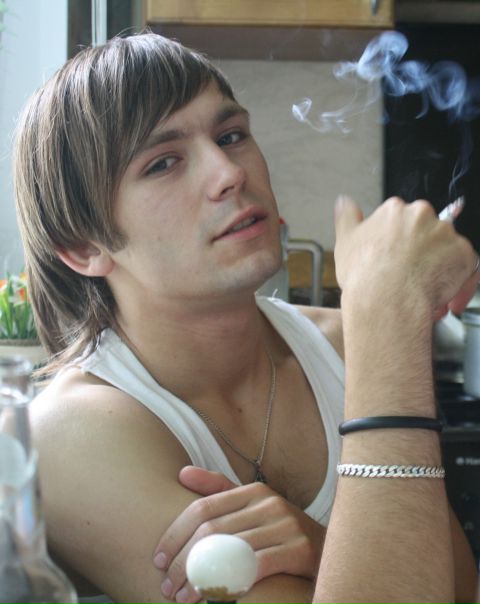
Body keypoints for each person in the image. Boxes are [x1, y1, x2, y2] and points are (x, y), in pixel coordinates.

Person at [13, 31, 478, 603]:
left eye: (231, 136)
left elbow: (460, 589)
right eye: (163, 163)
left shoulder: (342, 344)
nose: (229, 172)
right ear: (84, 247)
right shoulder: (73, 433)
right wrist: (389, 316)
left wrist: (318, 544)